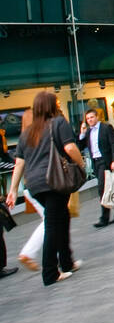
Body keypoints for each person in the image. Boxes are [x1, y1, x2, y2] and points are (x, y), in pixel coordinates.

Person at [6, 91, 85, 286]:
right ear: (52, 106)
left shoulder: (27, 133)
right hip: (54, 180)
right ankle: (50, 273)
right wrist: (81, 164)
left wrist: (13, 189)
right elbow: (69, 148)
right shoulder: (58, 123)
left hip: (35, 185)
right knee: (52, 223)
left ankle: (66, 262)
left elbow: (19, 163)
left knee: (61, 216)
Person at [78, 107, 114, 227]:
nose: (90, 120)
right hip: (96, 162)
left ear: (97, 117)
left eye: (92, 117)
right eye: (87, 118)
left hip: (106, 161)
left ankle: (104, 218)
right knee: (111, 187)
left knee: (102, 189)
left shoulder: (106, 127)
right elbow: (80, 146)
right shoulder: (88, 132)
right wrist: (82, 133)